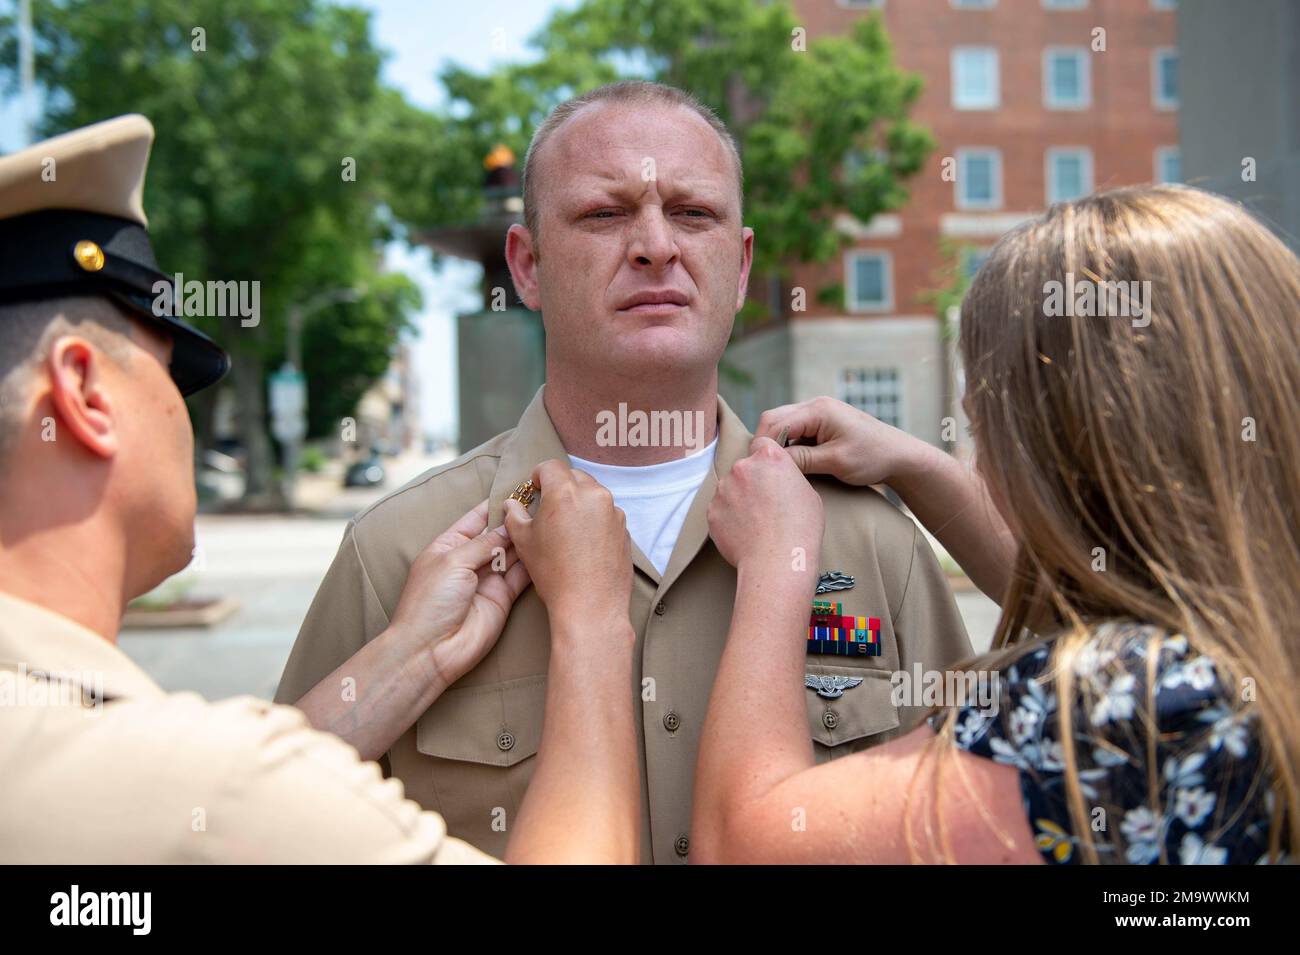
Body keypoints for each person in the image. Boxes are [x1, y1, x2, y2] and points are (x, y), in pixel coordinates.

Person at [275, 80, 974, 863]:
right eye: (604, 215)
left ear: (741, 268)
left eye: (693, 213)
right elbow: (266, 836)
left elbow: (964, 822)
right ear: (527, 265)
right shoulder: (398, 554)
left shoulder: (873, 540)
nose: (655, 246)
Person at [0, 115, 638, 864]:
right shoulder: (187, 781)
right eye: (176, 371)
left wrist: (413, 655)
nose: (184, 413)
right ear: (84, 391)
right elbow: (247, 803)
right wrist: (594, 620)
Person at [692, 184, 1298, 864]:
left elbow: (741, 843)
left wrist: (776, 563)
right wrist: (918, 464)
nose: (982, 460)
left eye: (986, 425)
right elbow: (1112, 596)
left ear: (1061, 445)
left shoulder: (1107, 710)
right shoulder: (1243, 651)